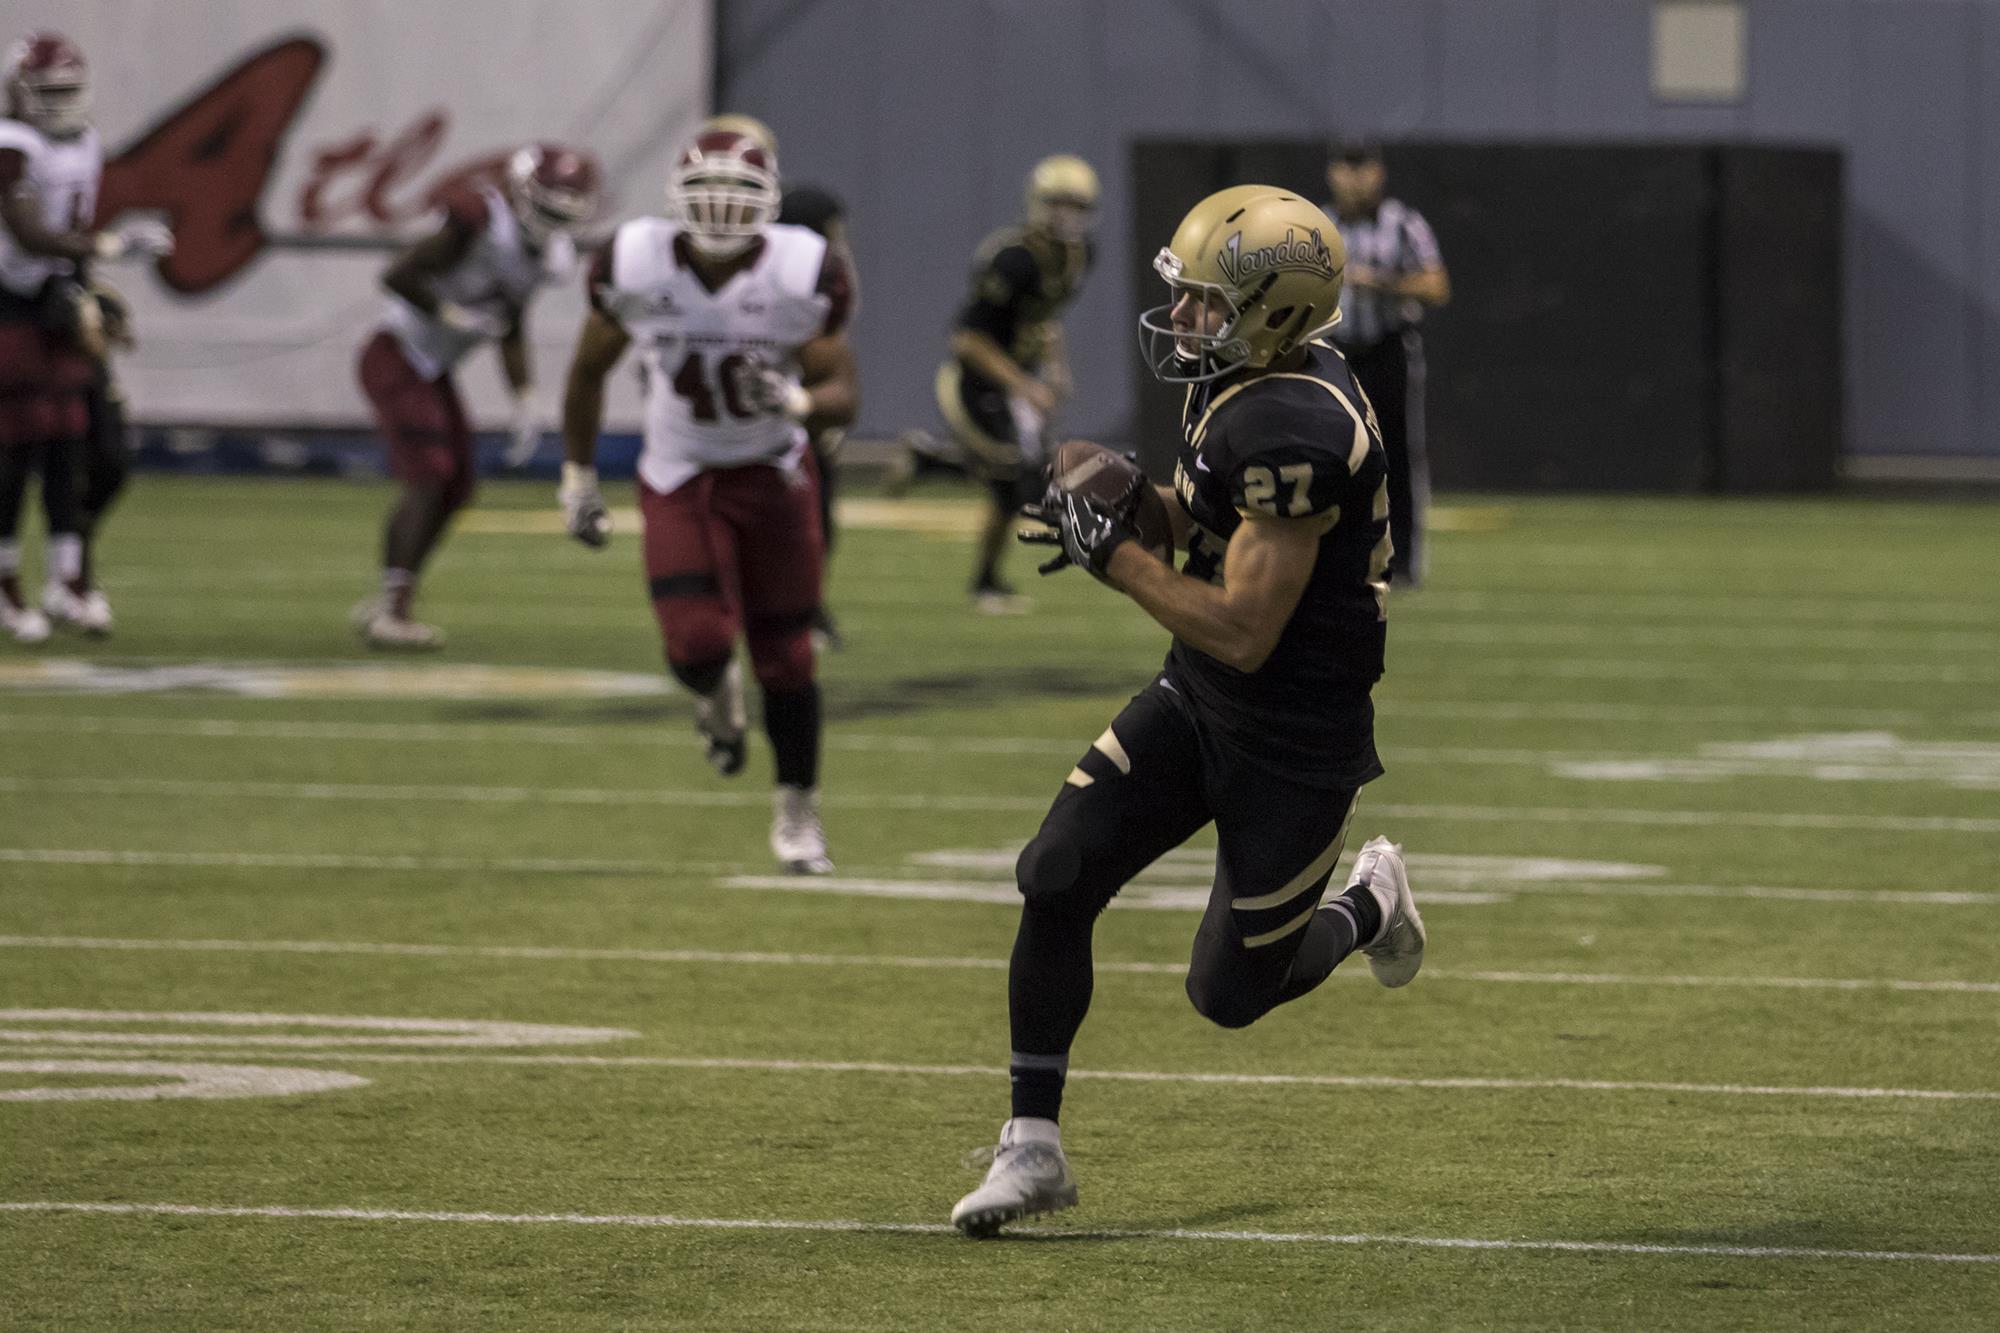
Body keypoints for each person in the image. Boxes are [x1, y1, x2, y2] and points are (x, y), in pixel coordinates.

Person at [950, 184, 1426, 1238]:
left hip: (1294, 736)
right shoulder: (1245, 380)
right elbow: (1200, 522)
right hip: (1199, 694)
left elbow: (1245, 626)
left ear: (1273, 316)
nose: (1185, 320)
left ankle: (1368, 906)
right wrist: (1122, 502)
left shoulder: (1297, 427)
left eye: (1209, 303)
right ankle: (1032, 1144)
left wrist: (1113, 551)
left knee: (1229, 991)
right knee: (1054, 871)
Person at [559, 115, 858, 876]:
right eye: (706, 194)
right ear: (674, 198)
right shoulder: (638, 260)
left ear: (769, 200)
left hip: (772, 472)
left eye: (738, 195)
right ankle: (717, 697)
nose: (722, 211)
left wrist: (792, 400)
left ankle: (797, 810)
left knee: (787, 658)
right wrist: (578, 477)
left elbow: (842, 392)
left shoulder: (798, 269)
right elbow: (589, 369)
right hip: (681, 470)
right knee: (695, 644)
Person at [351, 142, 600, 649]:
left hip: (431, 365)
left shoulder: (551, 255)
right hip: (397, 351)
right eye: (546, 207)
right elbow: (398, 275)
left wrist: (524, 397)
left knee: (458, 484)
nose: (551, 220)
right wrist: (449, 314)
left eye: (561, 212)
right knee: (431, 474)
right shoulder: (479, 219)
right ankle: (392, 609)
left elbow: (510, 322)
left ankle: (391, 599)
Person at [0, 31, 171, 643]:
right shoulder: (11, 144)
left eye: (67, 91)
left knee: (81, 450)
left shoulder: (87, 143)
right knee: (16, 458)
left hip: (52, 304)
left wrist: (91, 294)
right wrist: (110, 246)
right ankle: (10, 584)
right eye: (47, 92)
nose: (59, 103)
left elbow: (61, 241)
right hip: (9, 310)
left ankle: (69, 579)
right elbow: (25, 234)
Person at [904, 155, 1096, 614]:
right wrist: (1021, 384)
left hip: (1019, 378)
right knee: (1016, 481)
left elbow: (1046, 320)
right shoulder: (1012, 258)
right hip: (979, 378)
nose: (1067, 214)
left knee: (1020, 482)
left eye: (1076, 205)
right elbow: (967, 339)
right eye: (1058, 203)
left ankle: (935, 464)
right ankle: (984, 579)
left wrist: (1055, 368)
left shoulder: (1080, 254)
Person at [1324, 138, 1448, 587]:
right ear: (1331, 173)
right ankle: (1338, 556)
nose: (1355, 178)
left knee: (1395, 453)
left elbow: (1436, 286)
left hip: (1387, 349)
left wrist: (1380, 282)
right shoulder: (1319, 225)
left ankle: (1406, 560)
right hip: (1336, 350)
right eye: (1346, 166)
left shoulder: (1403, 224)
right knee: (1334, 454)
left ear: (1379, 173)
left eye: (1363, 167)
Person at [775, 182, 858, 650]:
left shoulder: (826, 272)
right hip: (765, 415)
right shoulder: (779, 274)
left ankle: (808, 610)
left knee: (818, 521)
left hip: (804, 406)